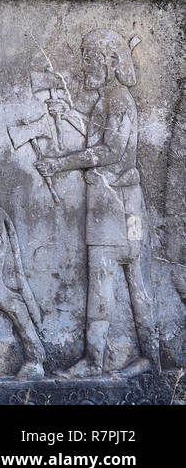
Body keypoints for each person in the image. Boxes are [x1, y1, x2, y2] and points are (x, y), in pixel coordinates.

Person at [35, 30, 161, 377]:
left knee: (107, 279)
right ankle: (147, 356)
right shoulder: (106, 102)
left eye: (90, 58)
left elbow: (110, 150)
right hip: (112, 201)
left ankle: (98, 360)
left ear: (111, 62)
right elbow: (99, 134)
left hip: (115, 204)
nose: (84, 65)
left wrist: (59, 162)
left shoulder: (117, 100)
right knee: (130, 281)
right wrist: (70, 112)